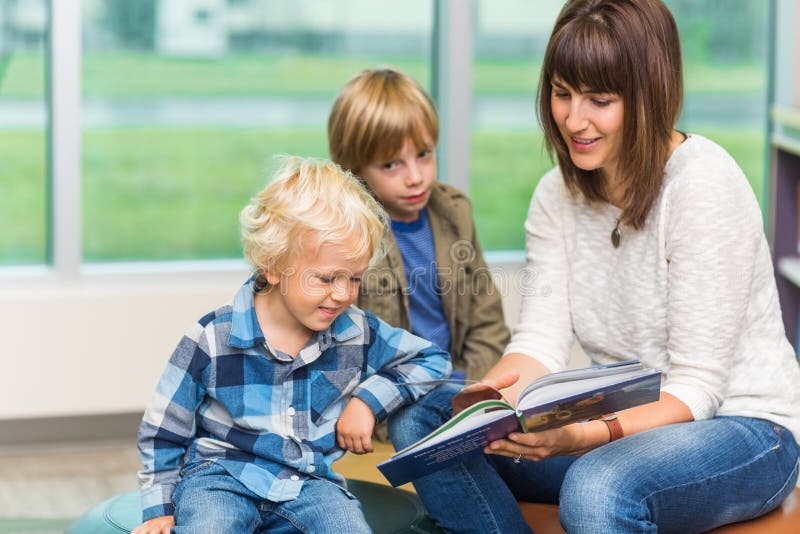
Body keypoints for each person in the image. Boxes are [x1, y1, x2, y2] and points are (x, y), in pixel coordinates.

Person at [388, 1, 800, 532]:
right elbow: (538, 342)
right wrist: (489, 406)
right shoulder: (554, 196)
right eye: (562, 94)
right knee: (423, 419)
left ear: (650, 96)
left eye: (599, 100)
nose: (573, 120)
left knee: (598, 485)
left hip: (743, 430)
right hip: (623, 427)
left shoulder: (703, 185)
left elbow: (698, 388)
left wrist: (586, 436)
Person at [133, 156, 451, 534]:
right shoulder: (212, 338)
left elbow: (431, 359)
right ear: (272, 264)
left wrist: (367, 402)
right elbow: (163, 432)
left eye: (354, 278)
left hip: (310, 483)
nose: (342, 294)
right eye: (326, 278)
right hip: (219, 477)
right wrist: (158, 509)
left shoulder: (357, 332)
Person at [327, 67, 510, 388]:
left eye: (424, 155)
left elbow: (488, 323)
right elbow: (338, 347)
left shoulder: (455, 214)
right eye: (391, 164)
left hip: (456, 382)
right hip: (385, 396)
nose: (415, 176)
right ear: (354, 168)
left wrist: (468, 386)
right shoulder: (343, 232)